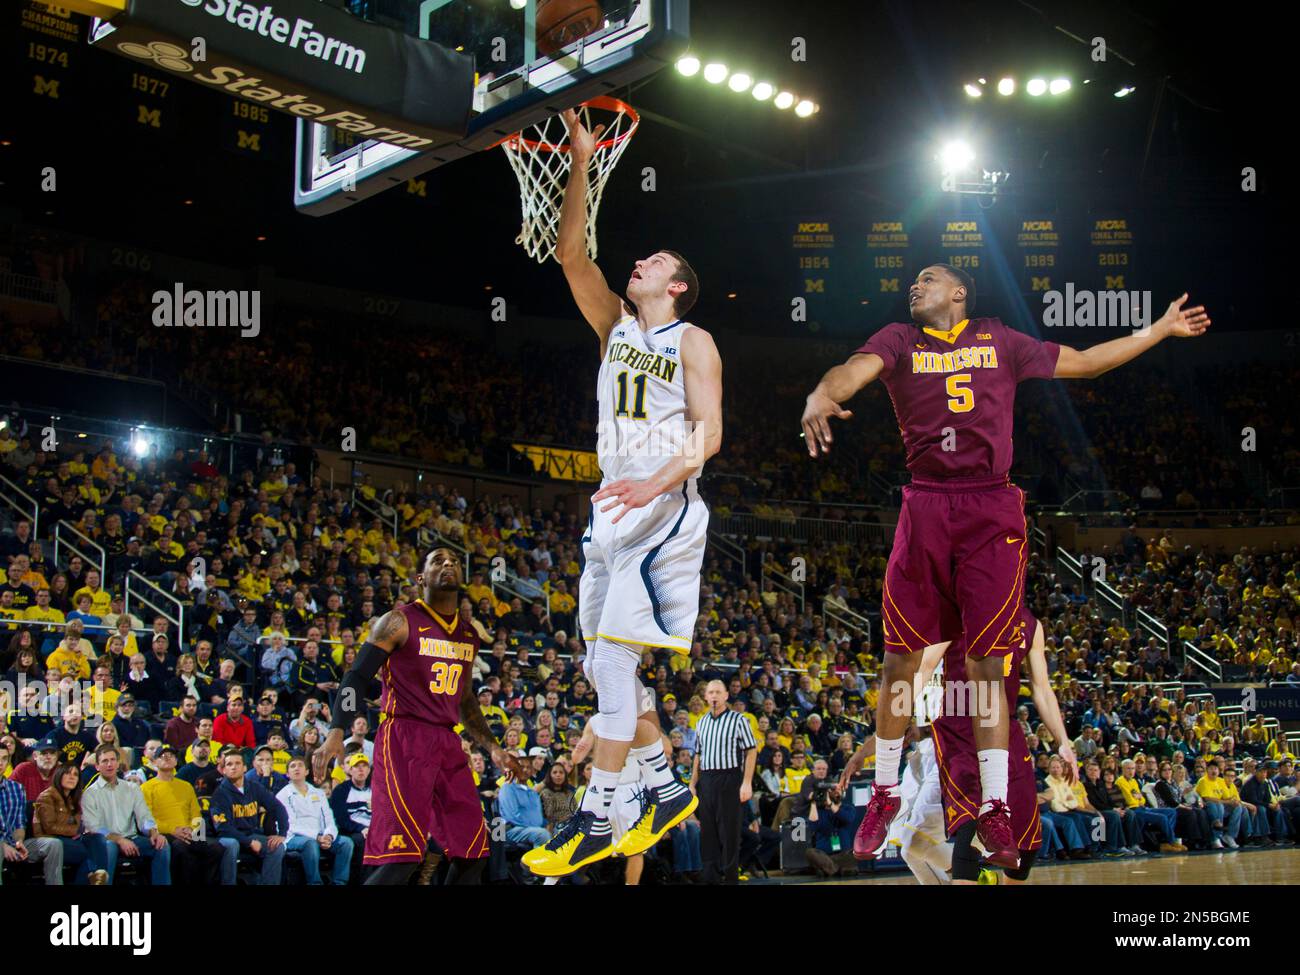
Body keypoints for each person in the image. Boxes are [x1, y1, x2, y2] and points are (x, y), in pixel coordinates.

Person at [803, 264, 1209, 863]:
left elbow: (1089, 360)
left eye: (929, 278)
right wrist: (821, 392)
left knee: (988, 663)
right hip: (926, 502)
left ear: (959, 293)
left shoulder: (1001, 340)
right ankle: (885, 791)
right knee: (899, 659)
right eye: (913, 280)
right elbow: (850, 373)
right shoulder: (897, 339)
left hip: (992, 506)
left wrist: (1157, 330)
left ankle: (995, 808)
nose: (916, 286)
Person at [525, 108, 721, 877]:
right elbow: (572, 252)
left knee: (610, 668)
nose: (637, 262)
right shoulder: (613, 325)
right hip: (612, 510)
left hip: (665, 511)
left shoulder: (694, 340)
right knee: (598, 670)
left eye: (654, 261)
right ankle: (667, 788)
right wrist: (579, 159)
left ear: (676, 286)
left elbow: (709, 436)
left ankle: (596, 817)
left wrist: (657, 479)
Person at [313, 548, 525, 885]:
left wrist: (493, 748)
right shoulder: (398, 620)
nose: (448, 565)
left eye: (454, 561)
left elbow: (466, 700)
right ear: (421, 578)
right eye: (437, 561)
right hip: (404, 737)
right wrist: (337, 729)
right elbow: (356, 677)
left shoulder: (469, 634)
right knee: (403, 857)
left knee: (474, 851)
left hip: (447, 740)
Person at [688, 680, 757, 884]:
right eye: (711, 692)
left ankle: (730, 879)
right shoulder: (701, 722)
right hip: (706, 780)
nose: (714, 696)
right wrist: (692, 783)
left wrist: (747, 782)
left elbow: (751, 750)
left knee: (729, 834)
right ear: (706, 697)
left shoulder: (738, 719)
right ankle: (711, 879)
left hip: (730, 778)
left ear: (726, 695)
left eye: (718, 692)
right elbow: (697, 755)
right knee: (708, 833)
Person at [141, 745, 234, 884]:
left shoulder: (186, 786)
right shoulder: (146, 788)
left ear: (176, 762)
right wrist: (173, 830)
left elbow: (196, 813)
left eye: (171, 756)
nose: (167, 758)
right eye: (162, 756)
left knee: (217, 849)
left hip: (191, 832)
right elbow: (147, 818)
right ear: (154, 762)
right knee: (182, 849)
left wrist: (192, 829)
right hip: (166, 832)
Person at [80, 744, 172, 884]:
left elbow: (144, 817)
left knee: (162, 845)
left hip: (132, 838)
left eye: (112, 760)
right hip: (105, 840)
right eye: (105, 761)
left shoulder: (132, 788)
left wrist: (153, 832)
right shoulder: (90, 793)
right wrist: (119, 840)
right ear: (97, 766)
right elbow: (95, 828)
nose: (109, 764)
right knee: (108, 847)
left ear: (118, 763)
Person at [209, 748, 290, 884]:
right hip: (227, 837)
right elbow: (222, 827)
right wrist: (249, 842)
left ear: (245, 767)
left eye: (237, 763)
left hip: (250, 834)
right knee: (232, 844)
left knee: (276, 847)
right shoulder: (219, 794)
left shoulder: (254, 787)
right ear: (224, 770)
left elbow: (277, 807)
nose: (233, 767)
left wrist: (282, 833)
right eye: (229, 764)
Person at [277, 756, 354, 885]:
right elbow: (290, 825)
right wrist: (316, 837)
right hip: (293, 837)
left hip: (320, 836)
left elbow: (328, 818)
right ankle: (315, 883)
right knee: (309, 843)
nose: (297, 768)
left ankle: (339, 883)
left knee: (346, 843)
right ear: (287, 774)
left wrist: (329, 835)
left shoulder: (318, 793)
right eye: (293, 766)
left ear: (307, 771)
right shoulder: (282, 795)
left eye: (300, 765)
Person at [31, 762, 110, 884]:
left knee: (97, 839)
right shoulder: (46, 796)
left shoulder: (74, 799)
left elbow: (79, 824)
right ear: (59, 775)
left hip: (70, 840)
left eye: (76, 774)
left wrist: (84, 830)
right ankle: (96, 877)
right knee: (86, 852)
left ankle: (99, 876)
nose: (72, 777)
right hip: (50, 840)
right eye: (68, 773)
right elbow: (49, 827)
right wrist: (77, 830)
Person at [0, 742, 65, 885]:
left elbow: (19, 822)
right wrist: (3, 846)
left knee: (53, 844)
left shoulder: (16, 789)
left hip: (13, 842)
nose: (0, 763)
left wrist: (19, 842)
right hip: (1, 845)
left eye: (4, 759)